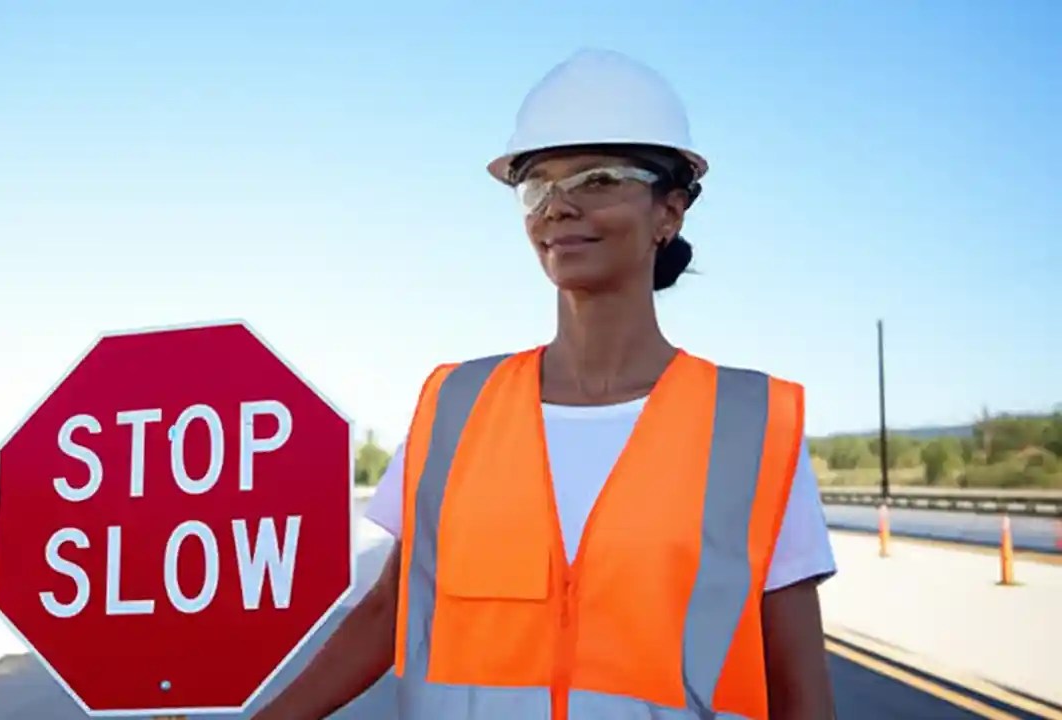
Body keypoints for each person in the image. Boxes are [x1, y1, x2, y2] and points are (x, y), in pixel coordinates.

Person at [253, 48, 838, 720]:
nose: (558, 207)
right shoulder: (455, 407)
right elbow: (389, 609)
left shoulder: (750, 425)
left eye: (599, 179)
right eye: (538, 185)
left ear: (670, 212)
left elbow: (798, 685)